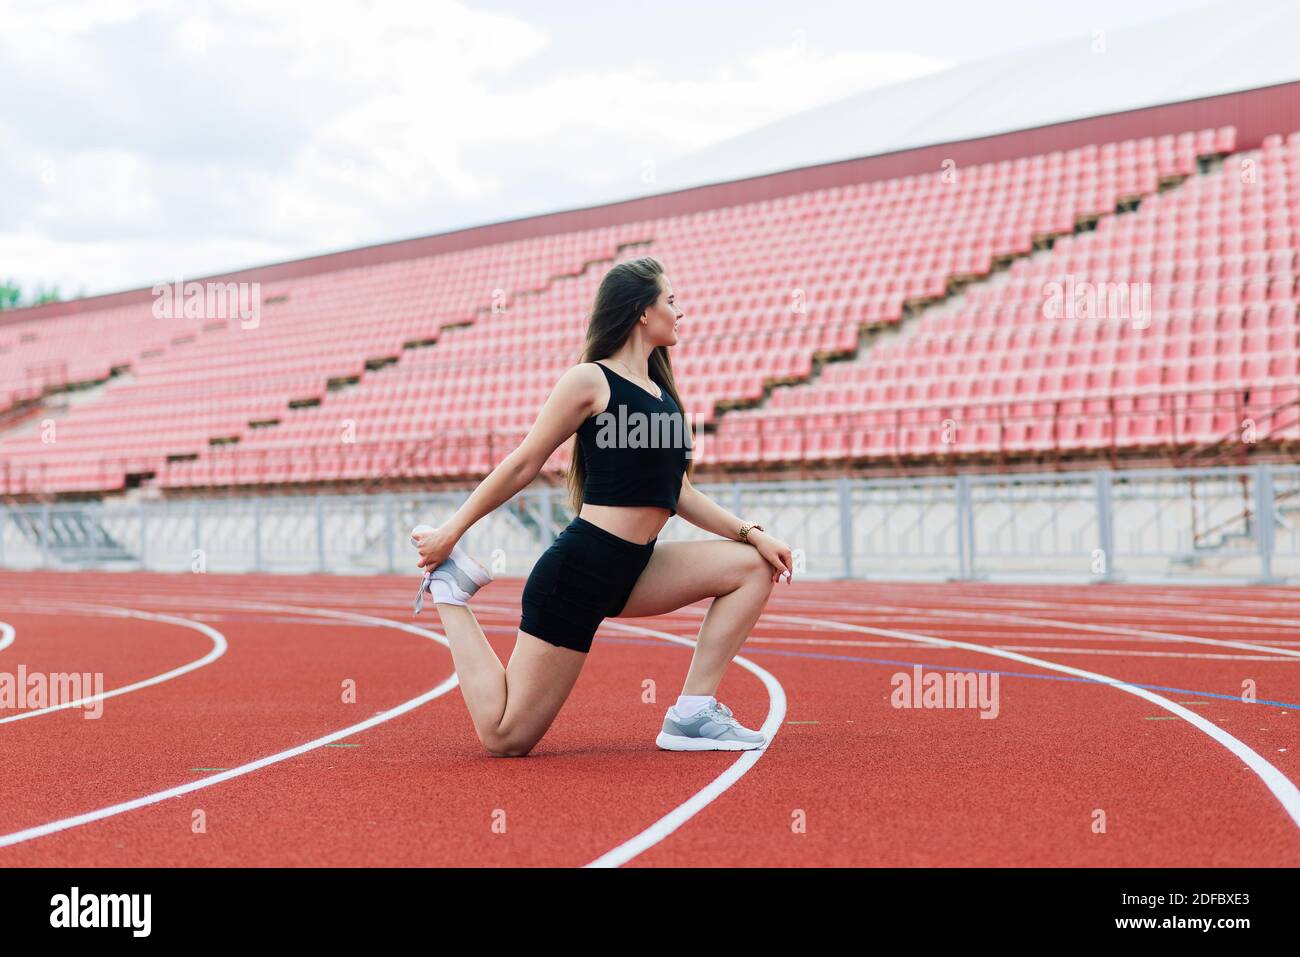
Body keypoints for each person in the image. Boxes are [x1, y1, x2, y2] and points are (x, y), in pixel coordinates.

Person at [413, 255, 793, 757]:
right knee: (506, 739)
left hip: (637, 567)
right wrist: (451, 531)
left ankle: (692, 714)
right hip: (580, 572)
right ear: (641, 311)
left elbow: (677, 493)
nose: (680, 312)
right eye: (671, 301)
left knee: (753, 565)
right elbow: (524, 462)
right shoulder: (589, 380)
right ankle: (451, 591)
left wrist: (752, 532)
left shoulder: (665, 398)